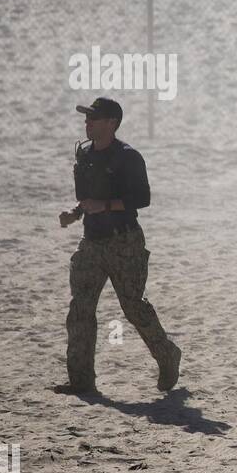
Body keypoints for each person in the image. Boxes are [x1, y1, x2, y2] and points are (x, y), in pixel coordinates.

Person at [61, 97, 181, 393]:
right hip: (92, 242)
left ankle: (168, 356)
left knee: (133, 307)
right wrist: (75, 213)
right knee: (80, 309)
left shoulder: (128, 157)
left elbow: (142, 199)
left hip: (123, 241)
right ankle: (81, 382)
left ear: (111, 123)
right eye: (87, 118)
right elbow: (88, 198)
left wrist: (106, 205)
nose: (87, 123)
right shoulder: (85, 154)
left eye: (94, 118)